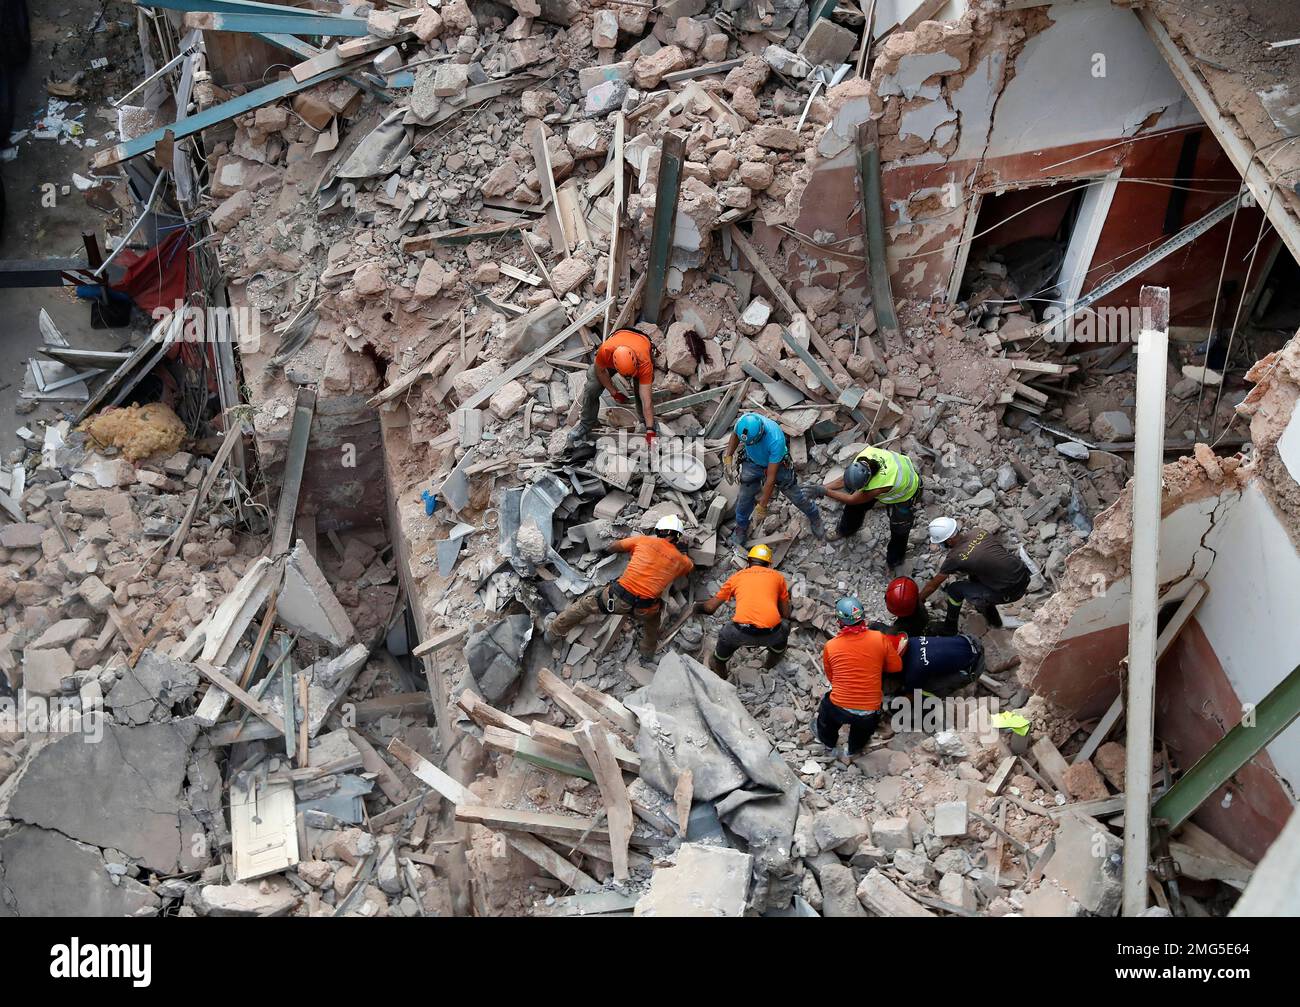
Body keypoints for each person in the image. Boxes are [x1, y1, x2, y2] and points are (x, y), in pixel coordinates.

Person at [546, 514, 693, 659]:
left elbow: (614, 547)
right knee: (653, 621)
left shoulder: (642, 540)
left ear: (659, 530)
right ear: (677, 537)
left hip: (616, 600)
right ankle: (647, 652)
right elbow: (689, 566)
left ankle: (553, 633)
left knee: (585, 605)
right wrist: (683, 551)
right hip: (645, 609)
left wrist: (604, 551)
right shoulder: (682, 561)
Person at [816, 595, 902, 760]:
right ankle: (853, 749)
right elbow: (896, 667)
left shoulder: (831, 646)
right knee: (862, 733)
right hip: (869, 711)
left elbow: (832, 677)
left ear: (840, 622)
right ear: (862, 617)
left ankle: (829, 743)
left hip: (839, 706)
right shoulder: (879, 638)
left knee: (826, 714)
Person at [724, 412, 825, 546]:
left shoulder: (775, 439)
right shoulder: (745, 421)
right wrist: (728, 457)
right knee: (744, 497)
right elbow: (735, 435)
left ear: (761, 434)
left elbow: (771, 478)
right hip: (752, 462)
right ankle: (741, 527)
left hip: (778, 466)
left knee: (796, 497)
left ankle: (814, 515)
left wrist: (762, 506)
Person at [694, 543, 791, 677]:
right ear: (769, 564)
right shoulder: (778, 577)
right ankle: (769, 664)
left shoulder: (737, 577)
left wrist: (695, 608)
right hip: (771, 633)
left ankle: (722, 674)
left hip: (740, 632)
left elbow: (710, 608)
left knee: (720, 652)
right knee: (785, 627)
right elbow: (786, 613)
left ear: (749, 561)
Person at [918, 517, 1030, 632]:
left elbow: (933, 585)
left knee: (954, 589)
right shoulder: (978, 532)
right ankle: (990, 615)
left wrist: (919, 600)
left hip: (1012, 592)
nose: (941, 545)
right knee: (973, 575)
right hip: (1023, 574)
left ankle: (949, 628)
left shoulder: (954, 557)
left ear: (949, 541)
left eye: (941, 542)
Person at [819, 445, 921, 568]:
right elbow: (843, 480)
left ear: (867, 482)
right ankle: (846, 530)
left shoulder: (881, 484)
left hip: (906, 492)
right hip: (895, 471)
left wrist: (825, 492)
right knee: (854, 509)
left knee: (900, 529)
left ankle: (894, 561)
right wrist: (821, 487)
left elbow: (853, 499)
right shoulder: (863, 458)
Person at [568, 327, 657, 449]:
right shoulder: (605, 351)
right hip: (614, 350)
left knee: (641, 394)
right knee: (592, 386)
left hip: (640, 347)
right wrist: (613, 392)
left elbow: (647, 400)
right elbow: (600, 372)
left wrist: (650, 430)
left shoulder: (644, 360)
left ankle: (645, 423)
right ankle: (586, 423)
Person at [879, 631, 985, 698]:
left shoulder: (914, 671)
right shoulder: (911, 641)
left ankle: (934, 702)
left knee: (923, 691)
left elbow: (911, 695)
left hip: (975, 665)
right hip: (969, 640)